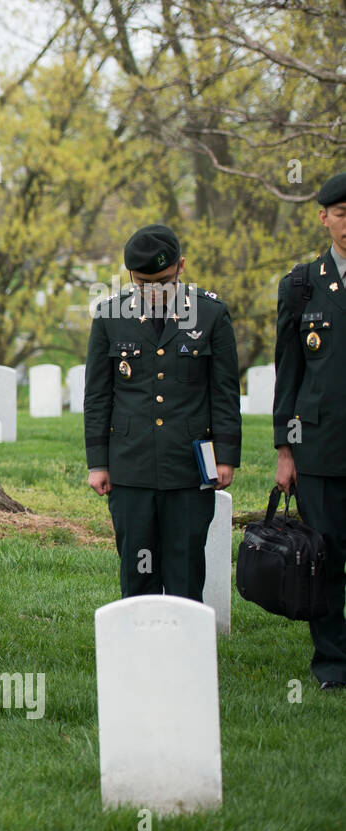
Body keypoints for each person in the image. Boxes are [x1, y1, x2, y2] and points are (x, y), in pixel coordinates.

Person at [84, 224, 241, 601]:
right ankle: (139, 655)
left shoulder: (210, 314)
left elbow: (223, 392)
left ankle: (185, 656)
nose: (155, 292)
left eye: (164, 282)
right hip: (130, 467)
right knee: (138, 573)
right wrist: (98, 463)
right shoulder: (110, 315)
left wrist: (227, 457)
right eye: (144, 284)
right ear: (131, 277)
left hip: (187, 468)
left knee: (185, 572)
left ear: (181, 267)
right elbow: (98, 397)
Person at [273, 170, 346, 692]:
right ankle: (333, 664)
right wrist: (285, 451)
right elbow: (289, 372)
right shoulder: (302, 285)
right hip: (321, 448)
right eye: (342, 214)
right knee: (327, 558)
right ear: (323, 217)